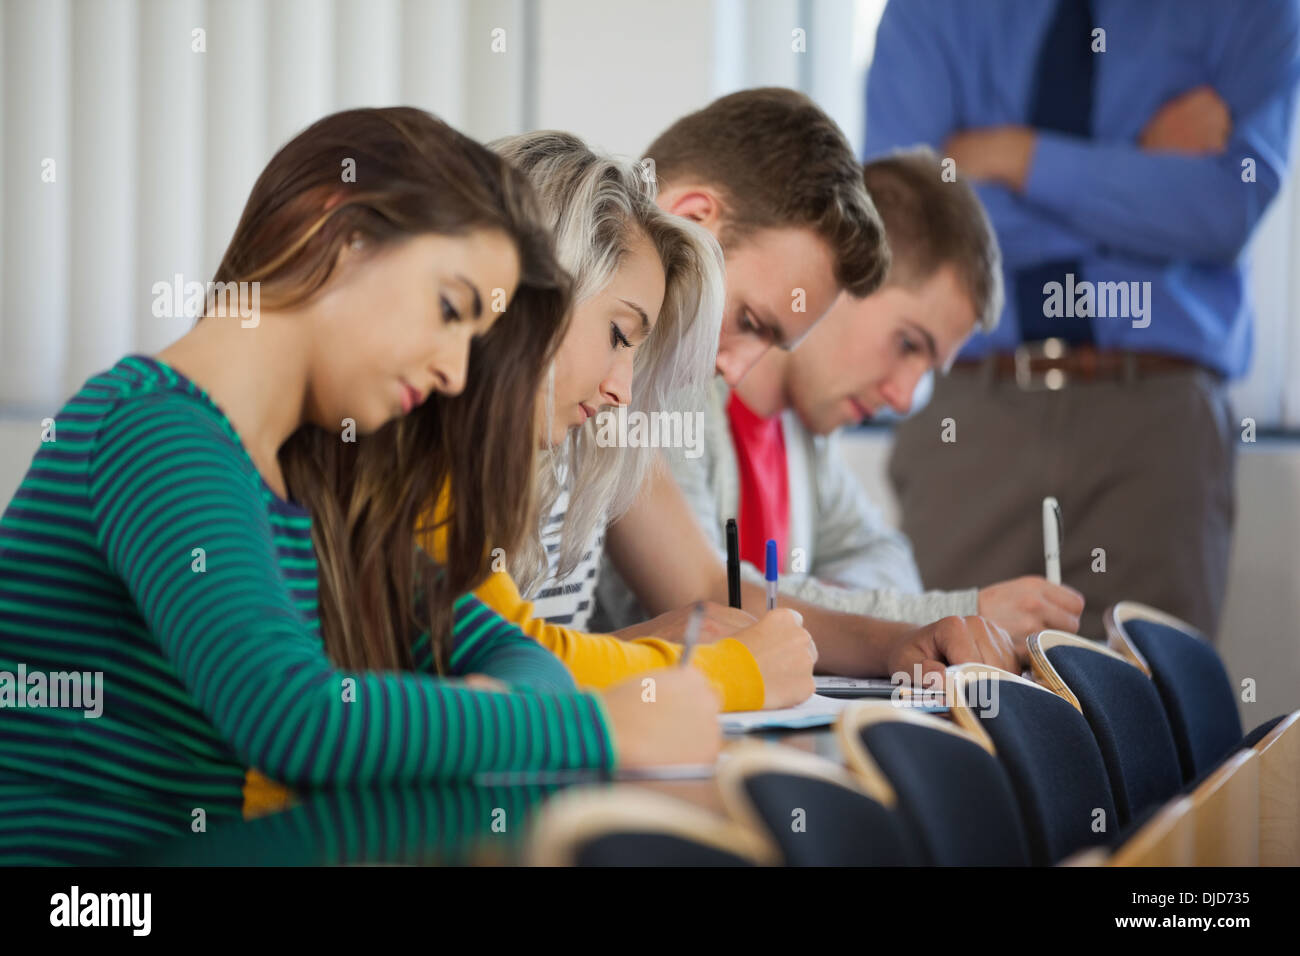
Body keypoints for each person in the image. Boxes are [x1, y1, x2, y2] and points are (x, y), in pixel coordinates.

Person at [0, 108, 720, 864]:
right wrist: (602, 728)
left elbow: (513, 652)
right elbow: (292, 717)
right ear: (338, 234)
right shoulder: (154, 431)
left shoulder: (304, 486)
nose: (454, 370)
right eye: (449, 310)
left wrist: (489, 709)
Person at [864, 0, 1300, 639]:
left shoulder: (1254, 10)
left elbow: (1221, 212)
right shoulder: (928, 12)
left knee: (1148, 715)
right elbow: (906, 222)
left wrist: (1015, 157)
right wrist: (1138, 168)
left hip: (1156, 423)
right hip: (972, 419)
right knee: (946, 700)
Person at [575, 90, 1023, 681]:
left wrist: (899, 639)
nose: (736, 372)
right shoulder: (612, 384)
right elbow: (704, 595)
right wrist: (944, 617)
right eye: (753, 322)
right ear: (694, 216)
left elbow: (707, 591)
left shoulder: (634, 401)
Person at [417, 130, 817, 712]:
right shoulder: (424, 447)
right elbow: (514, 672)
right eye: (617, 336)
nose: (621, 392)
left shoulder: (500, 457)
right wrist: (738, 673)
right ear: (537, 288)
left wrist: (637, 648)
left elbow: (513, 657)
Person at [632, 149, 1084, 652]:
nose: (905, 397)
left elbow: (886, 556)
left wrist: (832, 605)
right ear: (845, 279)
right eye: (908, 344)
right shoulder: (673, 391)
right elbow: (715, 596)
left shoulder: (805, 434)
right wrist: (954, 617)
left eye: (928, 372)